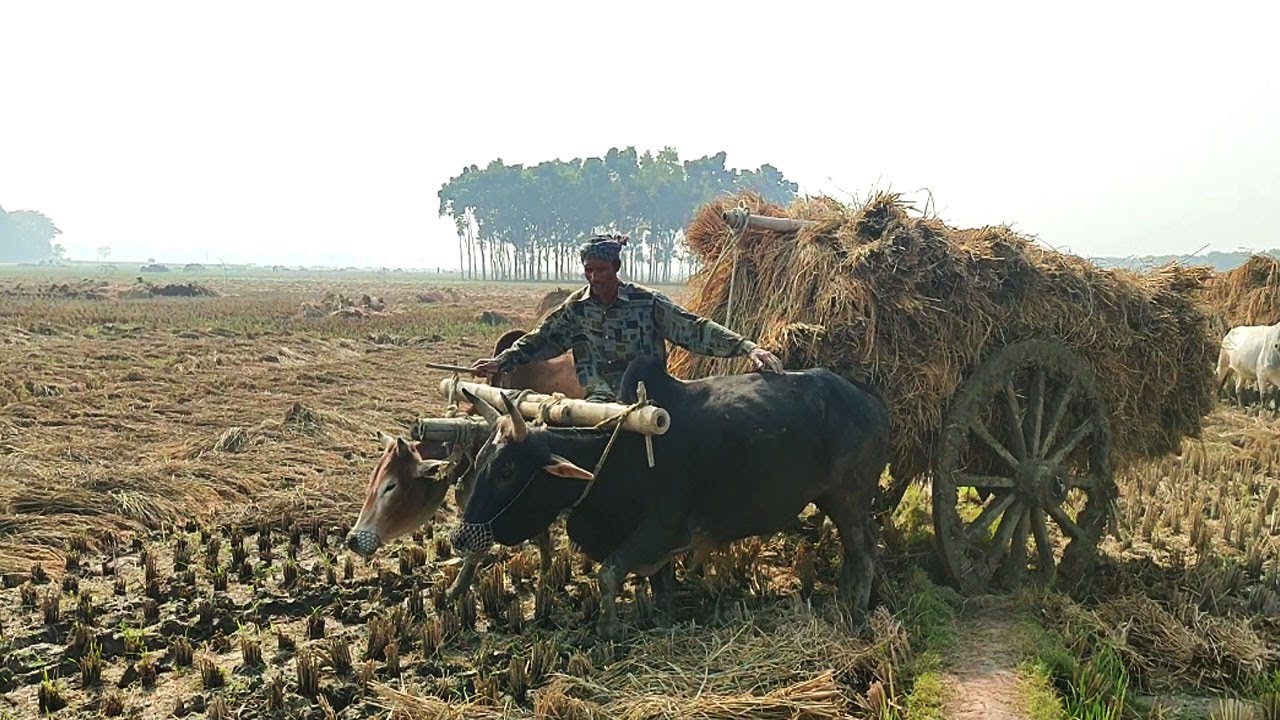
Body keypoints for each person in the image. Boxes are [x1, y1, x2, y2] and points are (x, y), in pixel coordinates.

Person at [471, 233, 783, 402]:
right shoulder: (576, 309)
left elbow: (693, 329)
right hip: (597, 403)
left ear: (616, 268)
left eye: (601, 270)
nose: (594, 278)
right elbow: (540, 340)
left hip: (649, 399)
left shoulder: (646, 303)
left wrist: (747, 347)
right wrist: (502, 362)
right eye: (589, 271)